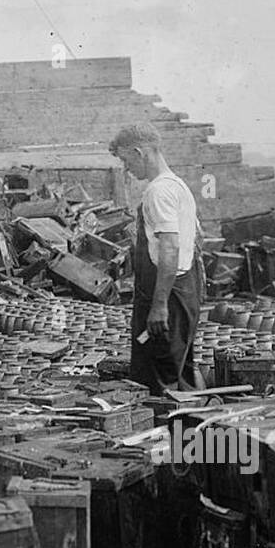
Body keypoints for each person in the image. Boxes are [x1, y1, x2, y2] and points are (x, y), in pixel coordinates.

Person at [109, 123, 204, 394]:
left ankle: (166, 435)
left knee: (159, 384)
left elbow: (170, 248)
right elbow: (196, 240)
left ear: (140, 152)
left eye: (127, 161)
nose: (127, 170)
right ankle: (189, 430)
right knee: (178, 373)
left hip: (167, 296)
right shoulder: (178, 186)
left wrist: (159, 305)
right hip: (182, 290)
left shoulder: (158, 191)